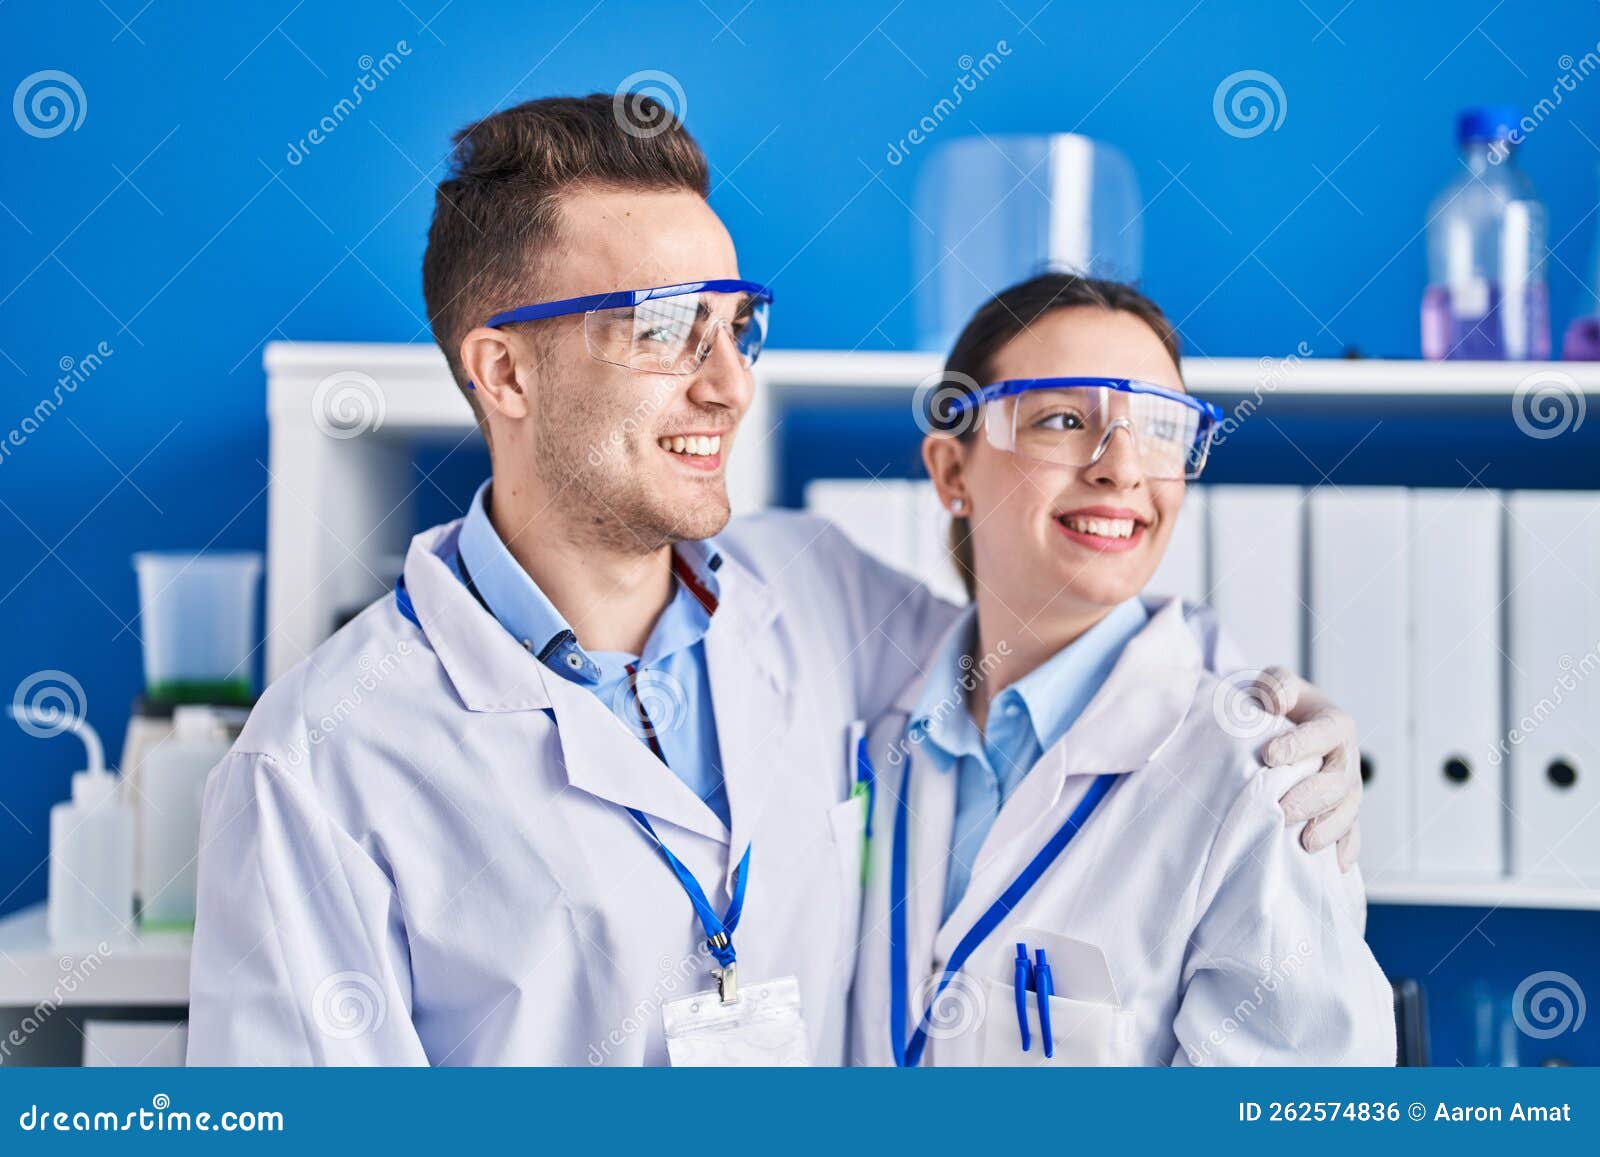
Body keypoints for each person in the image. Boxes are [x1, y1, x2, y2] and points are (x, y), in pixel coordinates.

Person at [187, 96, 1362, 1065]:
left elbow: (1053, 640)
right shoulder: (320, 760)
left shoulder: (807, 594)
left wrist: (1276, 724)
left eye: (734, 324)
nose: (727, 385)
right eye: (661, 331)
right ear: (504, 370)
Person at [850, 274, 1394, 1067]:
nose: (1122, 468)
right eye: (1065, 419)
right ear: (951, 472)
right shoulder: (879, 722)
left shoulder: (1258, 776)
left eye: (1160, 428)